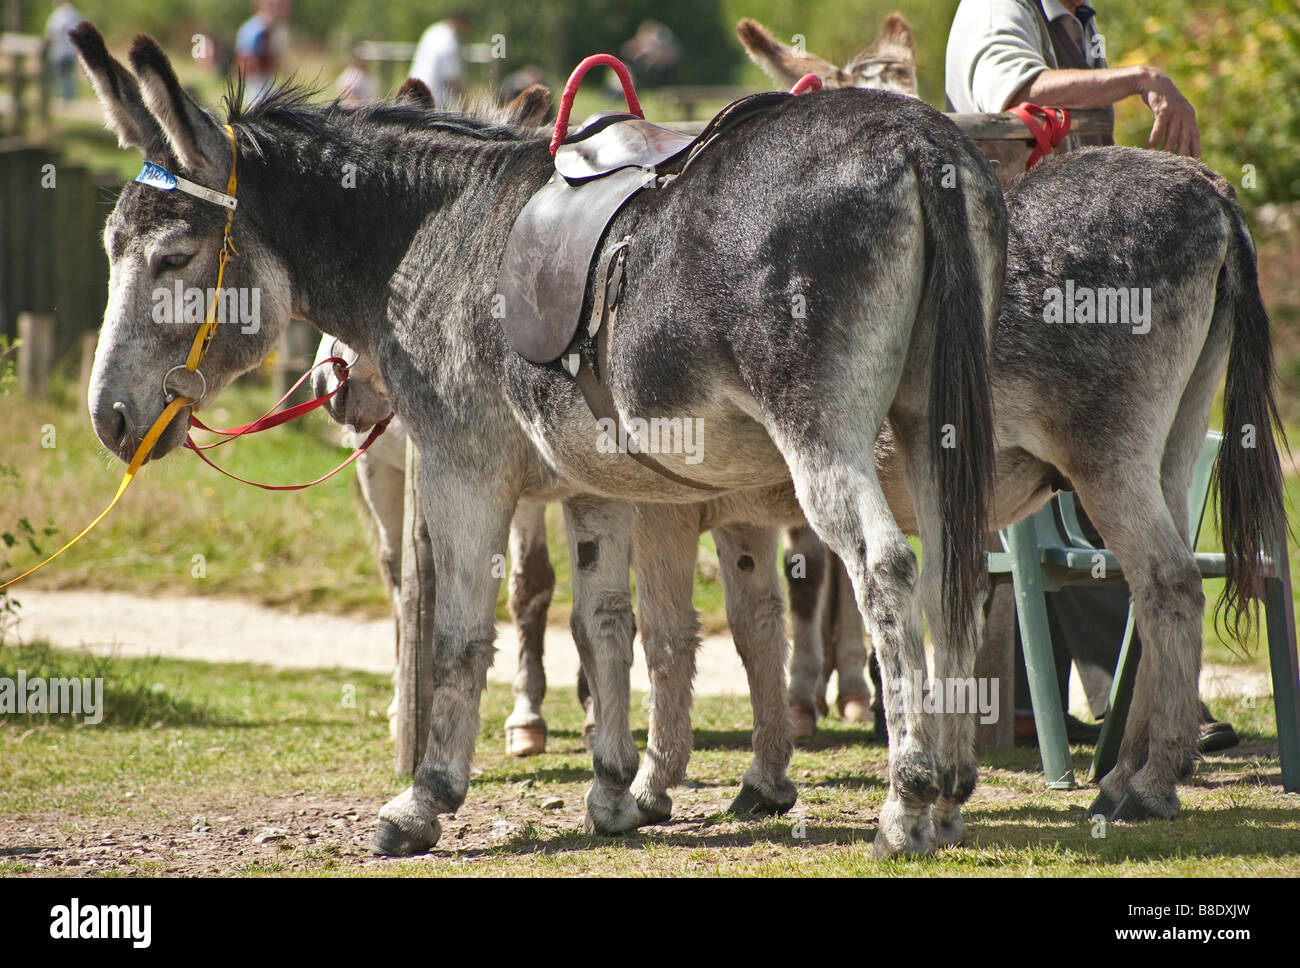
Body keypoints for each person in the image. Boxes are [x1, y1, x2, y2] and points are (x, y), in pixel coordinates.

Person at [946, 0, 1237, 753]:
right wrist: (1139, 78)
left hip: (1057, 276)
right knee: (1076, 502)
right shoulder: (995, 8)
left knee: (1103, 496)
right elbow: (1017, 94)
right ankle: (1043, 716)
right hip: (1022, 285)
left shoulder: (1075, 15)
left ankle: (1136, 717)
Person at [409, 10, 472, 108]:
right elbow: (452, 78)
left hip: (414, 92)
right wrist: (466, 103)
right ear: (461, 24)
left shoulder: (433, 30)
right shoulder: (449, 39)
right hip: (434, 99)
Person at [236, 0, 292, 106]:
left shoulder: (274, 29)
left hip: (267, 79)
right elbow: (246, 57)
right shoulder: (253, 30)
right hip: (255, 81)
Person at [44, 1, 82, 102]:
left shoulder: (56, 16)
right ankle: (68, 99)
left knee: (56, 76)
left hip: (59, 52)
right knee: (68, 76)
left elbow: (50, 34)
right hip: (72, 51)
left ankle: (56, 99)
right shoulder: (75, 14)